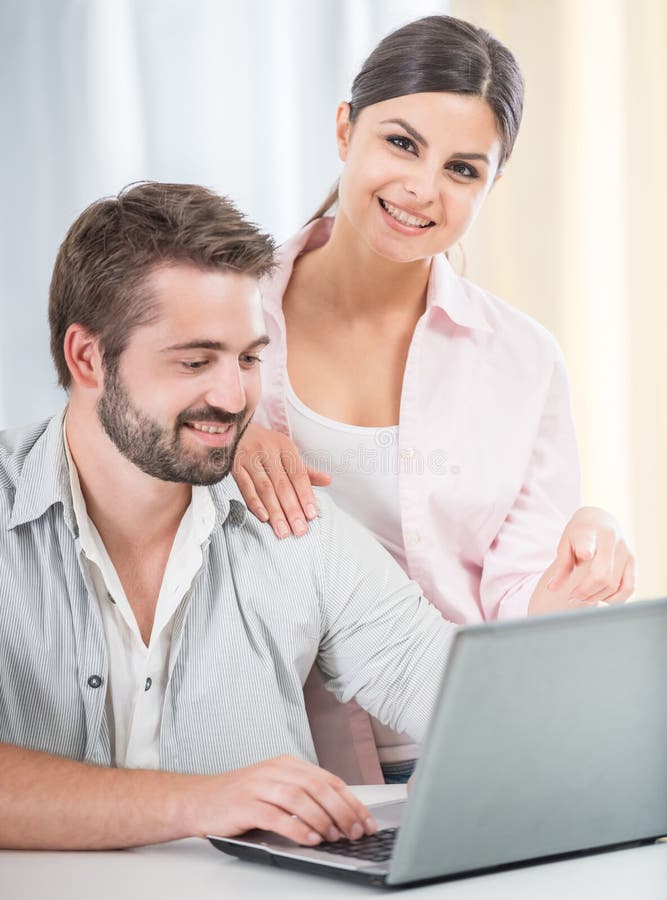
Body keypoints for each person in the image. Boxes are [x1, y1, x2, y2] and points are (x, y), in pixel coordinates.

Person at [230, 15, 636, 784]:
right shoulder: (230, 318)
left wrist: (579, 560)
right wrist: (220, 446)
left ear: (491, 185)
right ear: (345, 128)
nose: (422, 189)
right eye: (401, 143)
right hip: (271, 758)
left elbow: (515, 597)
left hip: (459, 754)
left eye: (462, 169)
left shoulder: (523, 361)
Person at [0, 181, 460, 850]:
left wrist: (496, 747)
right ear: (87, 357)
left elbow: (437, 680)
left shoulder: (291, 516)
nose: (232, 394)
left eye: (247, 358)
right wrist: (202, 801)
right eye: (195, 361)